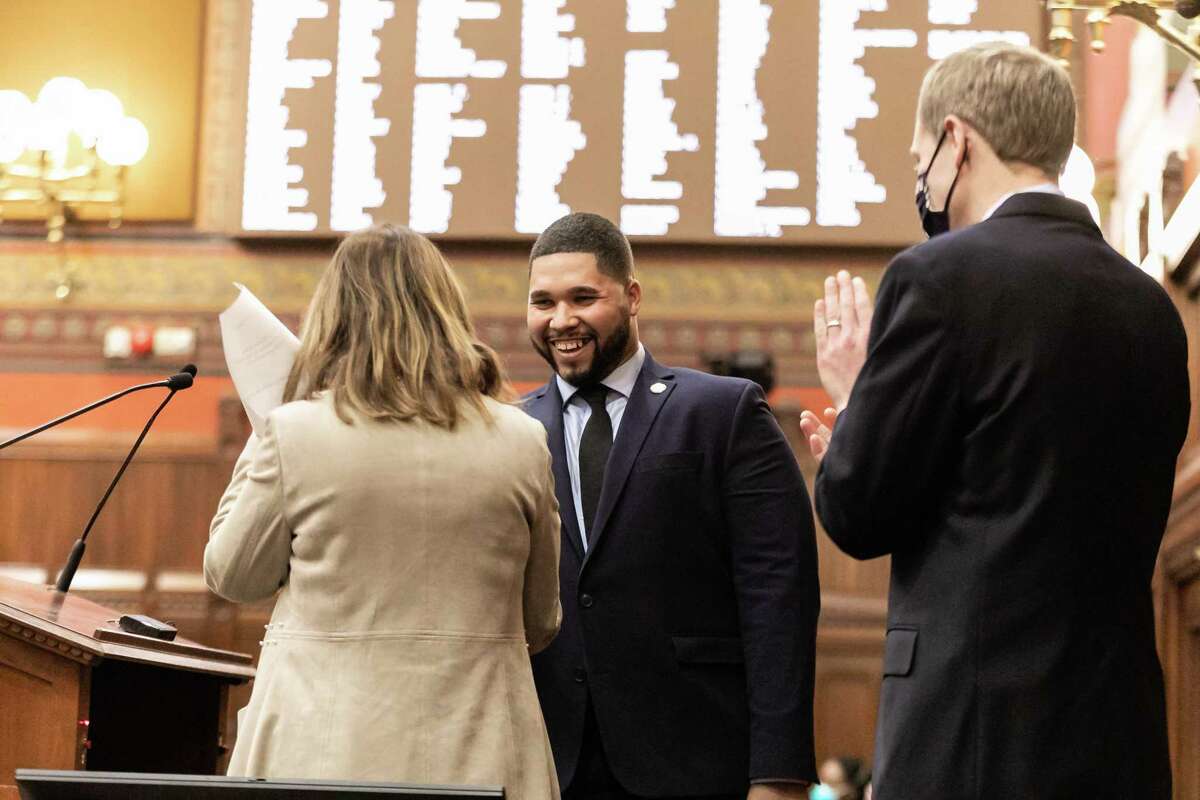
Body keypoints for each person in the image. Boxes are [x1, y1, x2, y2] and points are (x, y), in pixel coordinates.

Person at [800, 43, 1189, 799]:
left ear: (957, 140)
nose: (921, 180)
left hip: (969, 739)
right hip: (1119, 738)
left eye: (920, 159)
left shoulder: (938, 278)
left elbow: (858, 513)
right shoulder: (1152, 306)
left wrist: (853, 397)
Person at [205, 223, 563, 799]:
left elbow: (233, 575)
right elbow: (540, 620)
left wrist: (267, 420)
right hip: (481, 754)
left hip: (322, 752)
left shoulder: (295, 432)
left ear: (335, 318)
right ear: (447, 312)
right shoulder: (522, 439)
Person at [522, 211, 821, 800]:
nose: (561, 320)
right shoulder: (510, 429)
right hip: (550, 765)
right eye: (543, 302)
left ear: (632, 297)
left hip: (697, 761)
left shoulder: (724, 411)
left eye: (583, 298)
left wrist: (779, 772)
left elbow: (778, 595)